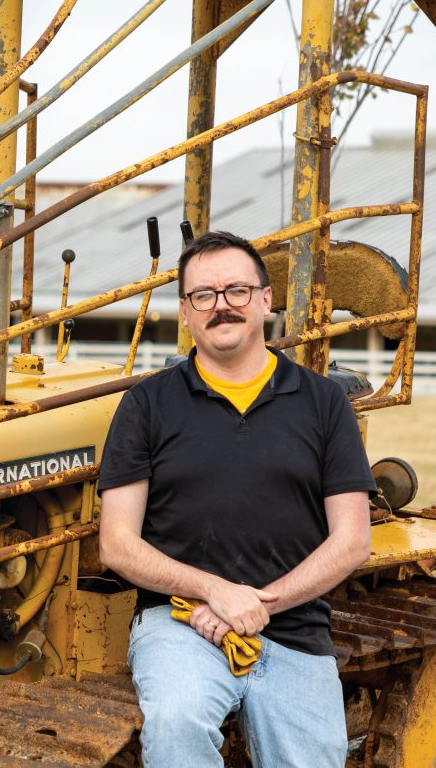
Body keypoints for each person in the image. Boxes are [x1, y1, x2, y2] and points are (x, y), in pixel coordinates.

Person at [98, 230, 375, 768]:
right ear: (185, 312)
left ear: (266, 299)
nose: (221, 305)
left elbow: (352, 541)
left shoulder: (323, 403)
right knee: (176, 726)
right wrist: (214, 591)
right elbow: (117, 544)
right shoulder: (147, 404)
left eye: (237, 290)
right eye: (204, 295)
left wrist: (256, 605)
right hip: (179, 623)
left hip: (294, 626)